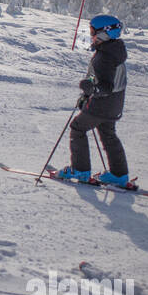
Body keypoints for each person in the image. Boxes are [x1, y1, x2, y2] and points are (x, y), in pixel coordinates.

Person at [56, 14, 130, 186]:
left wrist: (91, 89)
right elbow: (102, 81)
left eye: (93, 31)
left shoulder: (105, 56)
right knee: (108, 134)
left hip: (102, 105)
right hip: (114, 104)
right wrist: (88, 93)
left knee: (77, 128)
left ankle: (80, 170)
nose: (91, 35)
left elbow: (105, 86)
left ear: (105, 32)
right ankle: (119, 175)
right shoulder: (114, 51)